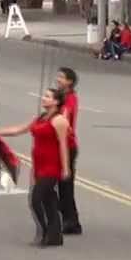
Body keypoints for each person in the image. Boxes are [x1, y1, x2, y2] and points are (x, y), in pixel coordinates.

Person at [0, 88, 72, 246]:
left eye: (48, 96)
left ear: (56, 101)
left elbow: (63, 145)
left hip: (52, 166)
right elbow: (18, 130)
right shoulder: (40, 118)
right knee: (49, 200)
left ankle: (46, 232)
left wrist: (66, 168)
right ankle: (55, 236)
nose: (44, 98)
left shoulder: (59, 120)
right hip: (39, 165)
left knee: (36, 199)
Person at [55, 67, 83, 235]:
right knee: (60, 185)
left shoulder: (71, 98)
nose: (58, 79)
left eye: (62, 77)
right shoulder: (61, 97)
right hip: (58, 144)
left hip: (68, 145)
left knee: (66, 185)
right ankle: (64, 218)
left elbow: (65, 115)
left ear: (70, 81)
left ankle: (71, 221)